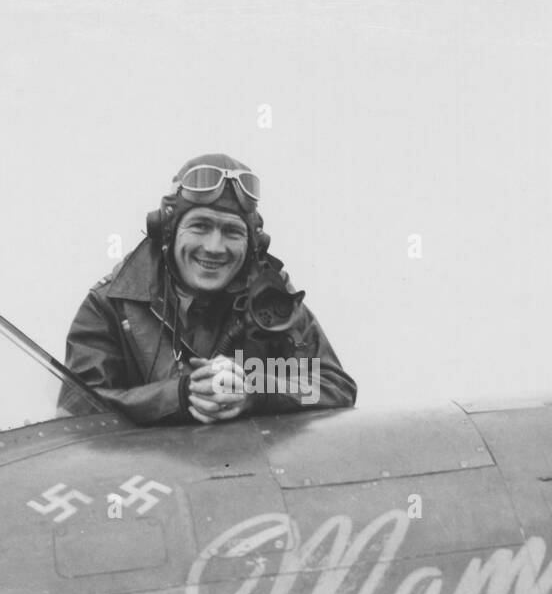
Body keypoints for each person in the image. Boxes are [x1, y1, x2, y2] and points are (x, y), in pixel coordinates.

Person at [59, 154, 357, 425]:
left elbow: (334, 387)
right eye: (200, 226)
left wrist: (257, 390)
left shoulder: (275, 305)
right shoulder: (109, 304)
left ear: (253, 243)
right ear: (167, 231)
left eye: (232, 232)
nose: (214, 247)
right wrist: (178, 396)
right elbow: (78, 410)